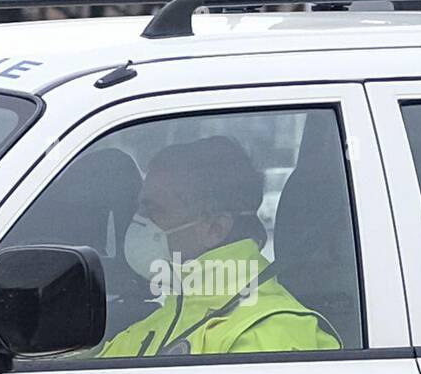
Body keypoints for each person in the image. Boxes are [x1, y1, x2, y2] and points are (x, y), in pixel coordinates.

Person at [99, 135, 339, 357]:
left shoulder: (266, 334)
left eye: (154, 210)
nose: (139, 220)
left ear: (215, 229)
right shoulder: (164, 319)